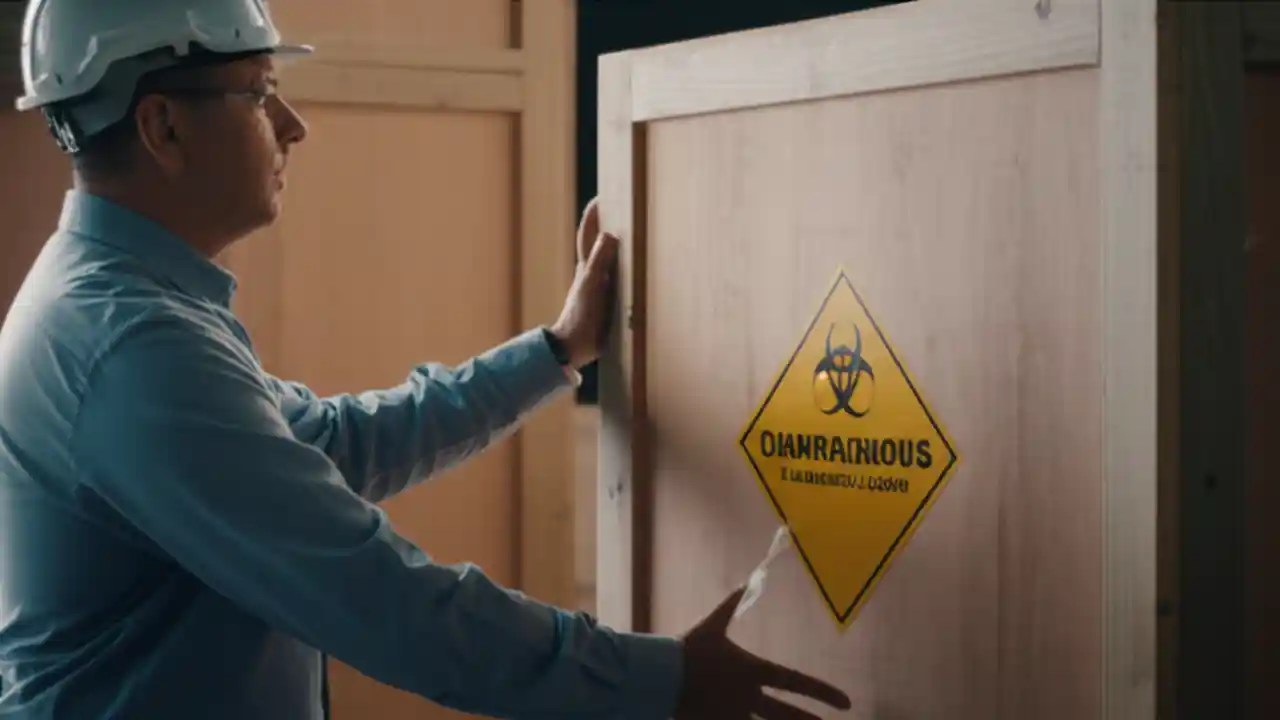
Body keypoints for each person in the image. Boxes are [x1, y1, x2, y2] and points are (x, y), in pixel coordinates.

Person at [0, 1, 853, 718]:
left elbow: (333, 446)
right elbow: (376, 597)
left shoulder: (126, 304)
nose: (294, 126)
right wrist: (656, 680)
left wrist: (556, 351)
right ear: (163, 126)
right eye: (259, 93)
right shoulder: (133, 350)